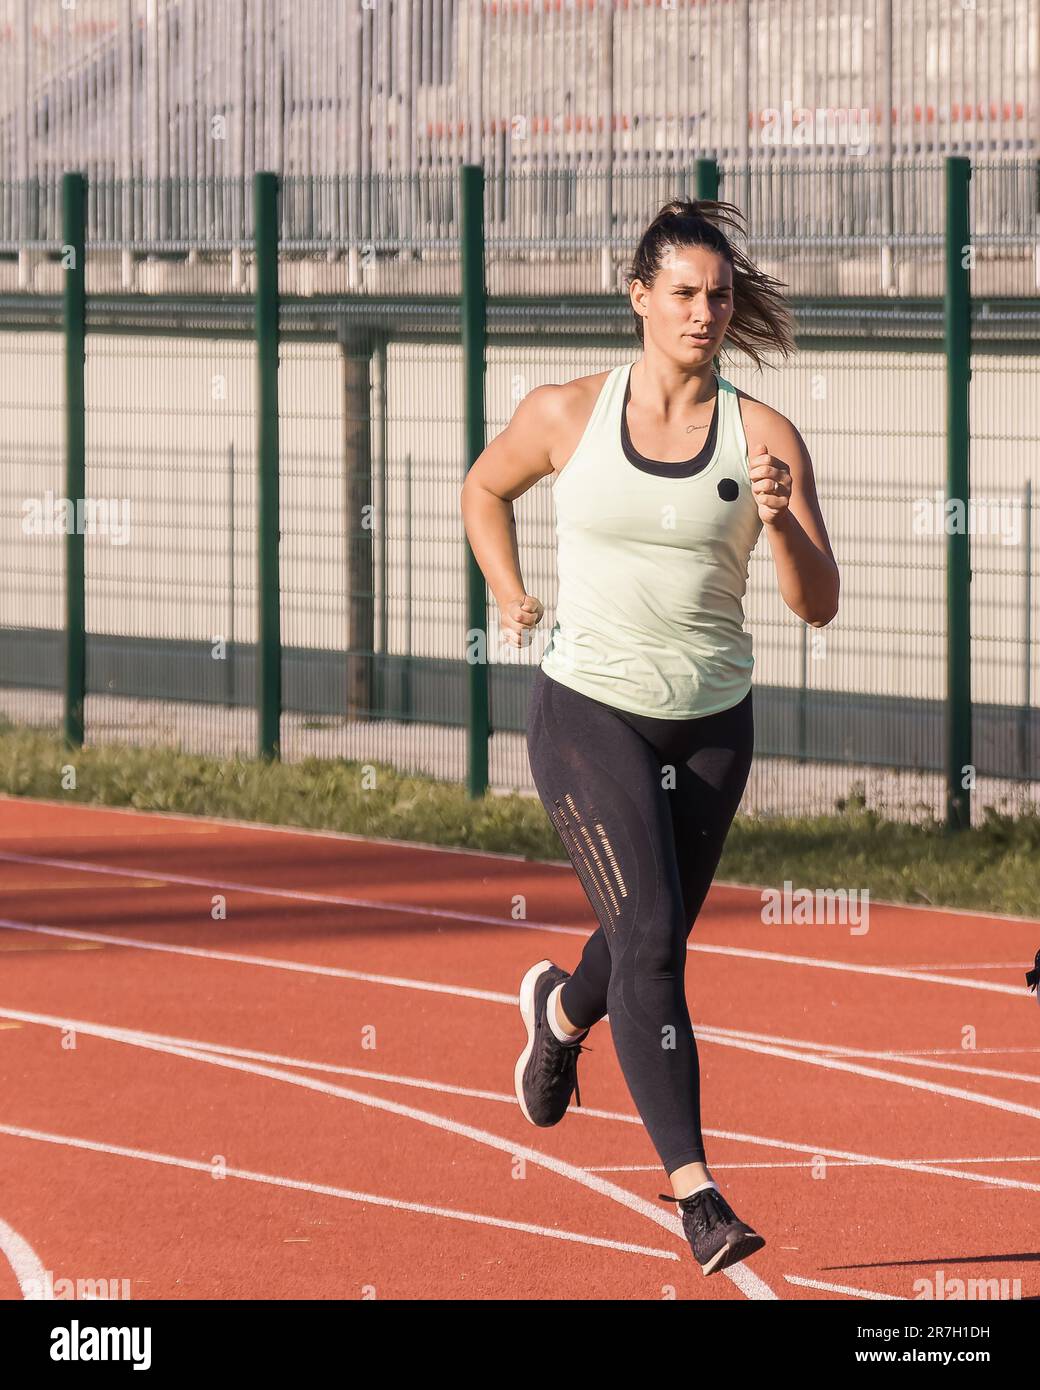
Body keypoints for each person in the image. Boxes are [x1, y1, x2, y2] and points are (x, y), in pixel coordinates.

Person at [459, 198, 839, 1277]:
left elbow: (816, 603)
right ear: (638, 296)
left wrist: (775, 523)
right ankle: (697, 1194)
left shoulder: (762, 437)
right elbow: (482, 489)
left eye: (718, 294)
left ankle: (559, 1013)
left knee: (641, 937)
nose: (704, 311)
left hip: (713, 721)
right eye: (683, 291)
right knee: (657, 938)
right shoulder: (564, 413)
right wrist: (511, 590)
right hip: (589, 707)